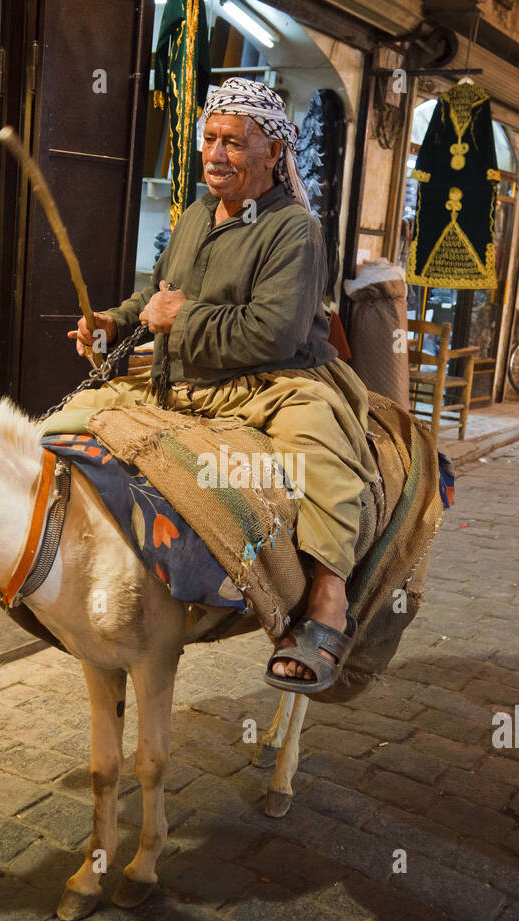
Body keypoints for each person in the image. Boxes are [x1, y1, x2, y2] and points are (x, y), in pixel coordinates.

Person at [55, 77, 377, 695]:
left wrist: (181, 319)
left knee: (322, 460)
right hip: (186, 375)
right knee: (75, 416)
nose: (215, 153)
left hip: (275, 382)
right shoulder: (197, 214)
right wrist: (112, 323)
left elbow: (271, 336)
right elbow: (157, 293)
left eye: (233, 141)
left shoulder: (295, 232)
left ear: (273, 154)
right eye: (209, 138)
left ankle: (327, 602)